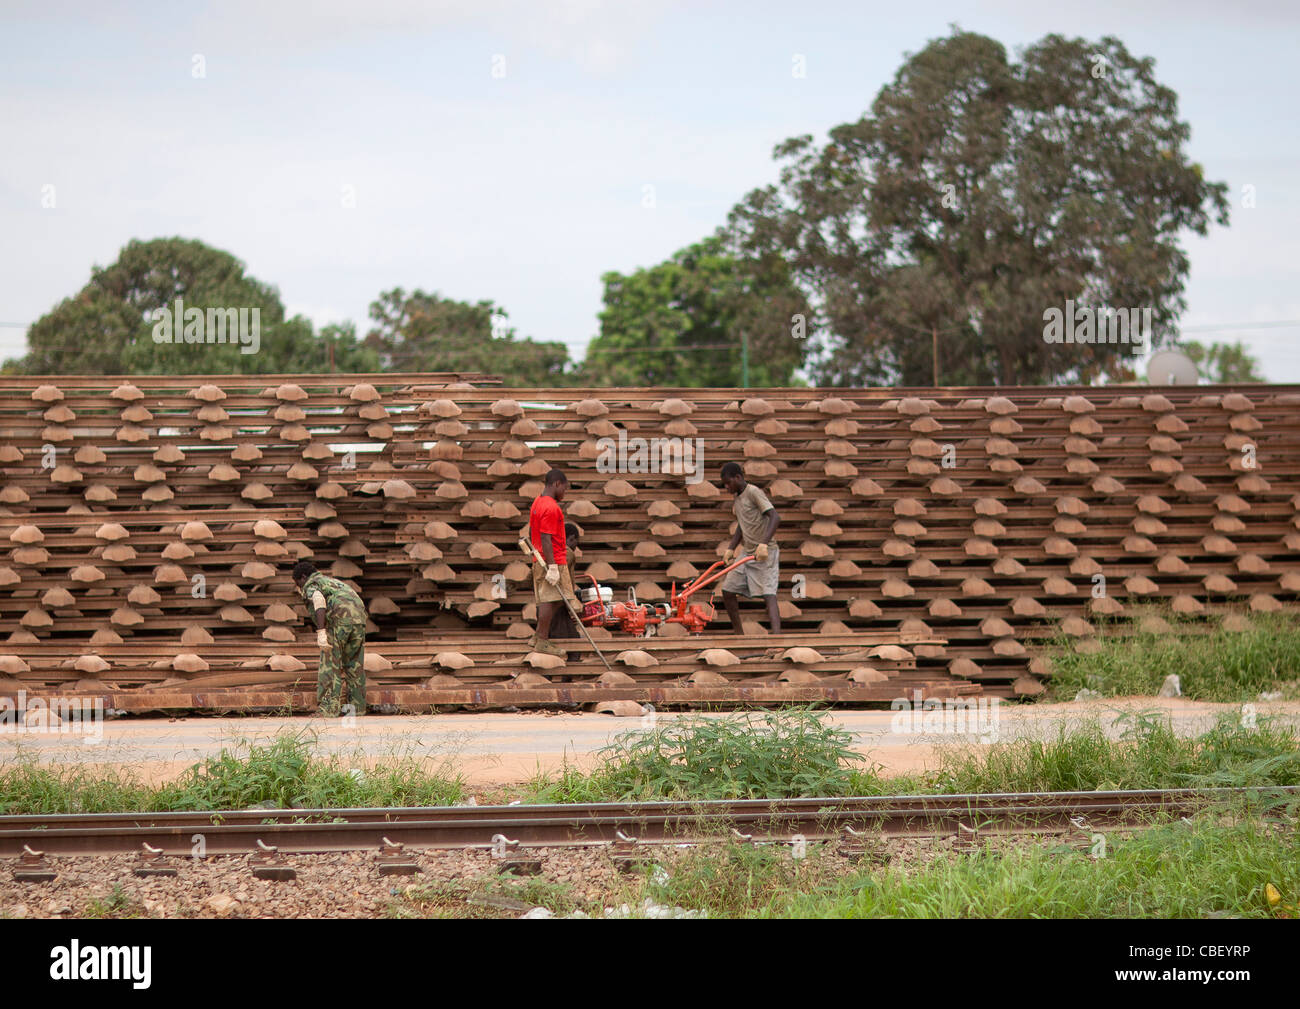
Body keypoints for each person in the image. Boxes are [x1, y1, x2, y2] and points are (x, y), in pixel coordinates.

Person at [292, 559, 367, 717]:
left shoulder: (312, 584)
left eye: (298, 583)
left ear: (303, 577)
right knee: (354, 666)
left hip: (339, 621)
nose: (299, 587)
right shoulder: (333, 583)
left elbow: (318, 600)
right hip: (359, 620)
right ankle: (357, 708)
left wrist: (321, 631)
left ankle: (328, 709)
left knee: (329, 665)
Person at [717, 461, 782, 634]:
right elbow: (742, 525)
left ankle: (778, 640)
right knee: (728, 590)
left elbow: (775, 517)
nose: (727, 487)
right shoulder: (737, 497)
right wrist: (731, 548)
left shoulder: (753, 492)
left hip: (765, 552)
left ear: (738, 477)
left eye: (728, 483)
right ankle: (739, 635)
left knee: (768, 594)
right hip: (748, 552)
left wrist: (764, 544)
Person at [528, 469, 574, 656]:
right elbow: (546, 538)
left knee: (558, 598)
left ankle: (539, 636)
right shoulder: (550, 507)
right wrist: (553, 566)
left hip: (542, 558)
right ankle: (542, 640)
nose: (564, 492)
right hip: (552, 558)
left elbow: (533, 532)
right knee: (550, 598)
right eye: (564, 488)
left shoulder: (537, 503)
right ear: (557, 484)